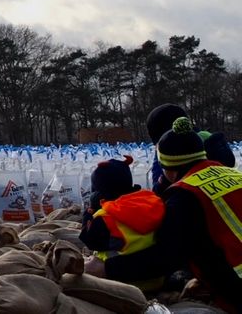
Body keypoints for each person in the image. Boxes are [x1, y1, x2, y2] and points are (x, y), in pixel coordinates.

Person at [105, 117, 242, 312]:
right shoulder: (234, 174)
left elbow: (165, 257)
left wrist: (107, 268)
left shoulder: (185, 195)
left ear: (167, 167)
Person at [80, 155, 167, 292]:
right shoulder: (153, 201)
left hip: (125, 283)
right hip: (158, 277)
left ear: (99, 192)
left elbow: (89, 241)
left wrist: (90, 211)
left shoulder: (105, 217)